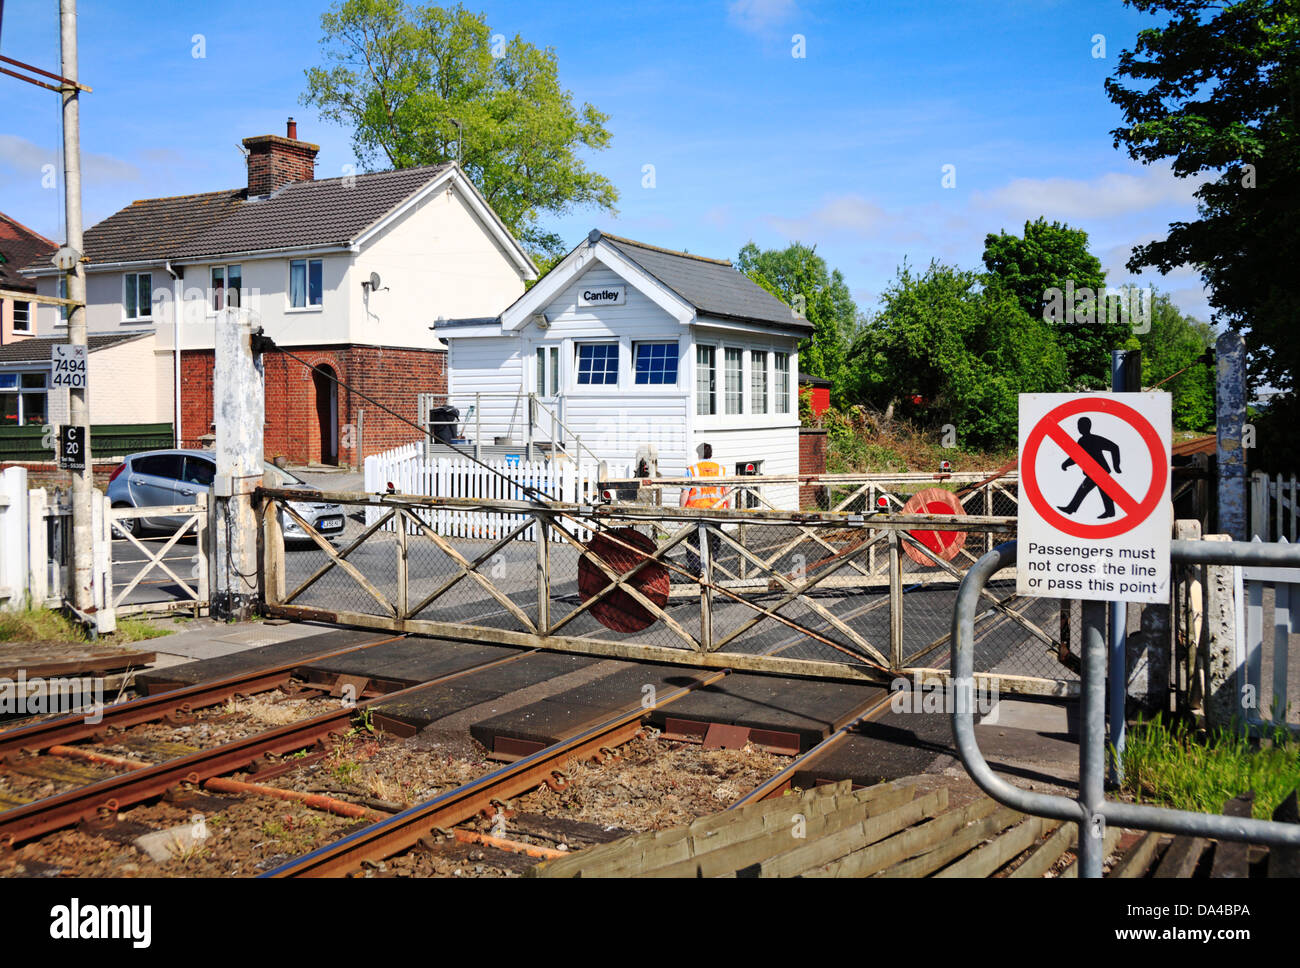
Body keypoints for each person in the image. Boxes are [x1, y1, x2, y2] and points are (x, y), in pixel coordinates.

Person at [1057, 416, 1123, 519]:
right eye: (1078, 426)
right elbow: (1077, 456)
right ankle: (1110, 512)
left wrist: (1116, 466)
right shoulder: (1084, 440)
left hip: (1097, 472)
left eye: (1080, 426)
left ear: (1086, 427)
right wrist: (1066, 464)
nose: (1079, 428)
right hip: (1097, 472)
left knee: (1083, 490)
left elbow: (1114, 447)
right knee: (1104, 492)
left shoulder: (1088, 440)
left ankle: (1071, 508)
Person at [681, 442, 726, 576]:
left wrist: (681, 511)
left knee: (694, 543)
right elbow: (727, 491)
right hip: (716, 513)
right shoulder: (721, 469)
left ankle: (697, 571)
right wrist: (727, 509)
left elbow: (685, 492)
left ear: (699, 454)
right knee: (714, 542)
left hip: (696, 513)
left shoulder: (692, 470)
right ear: (711, 453)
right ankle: (711, 569)